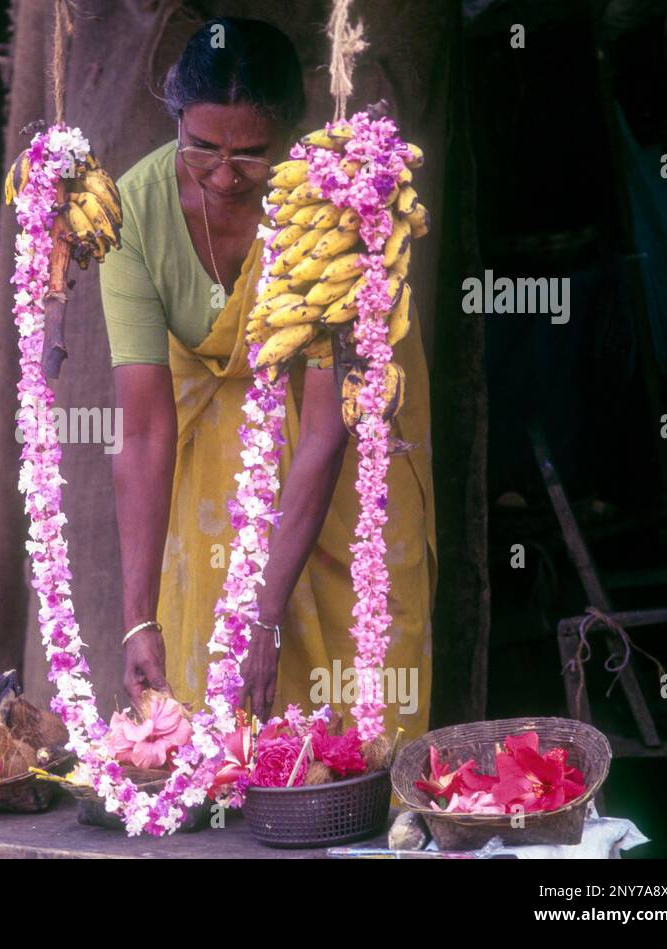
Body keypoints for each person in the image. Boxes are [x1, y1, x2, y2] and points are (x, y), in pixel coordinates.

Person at [99, 16, 437, 740]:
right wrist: (137, 619)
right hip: (221, 468)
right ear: (174, 121)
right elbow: (147, 429)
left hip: (339, 455)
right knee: (224, 717)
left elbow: (323, 430)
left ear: (285, 136)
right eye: (202, 149)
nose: (224, 175)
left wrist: (267, 609)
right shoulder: (134, 210)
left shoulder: (329, 209)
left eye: (250, 155)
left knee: (359, 693)